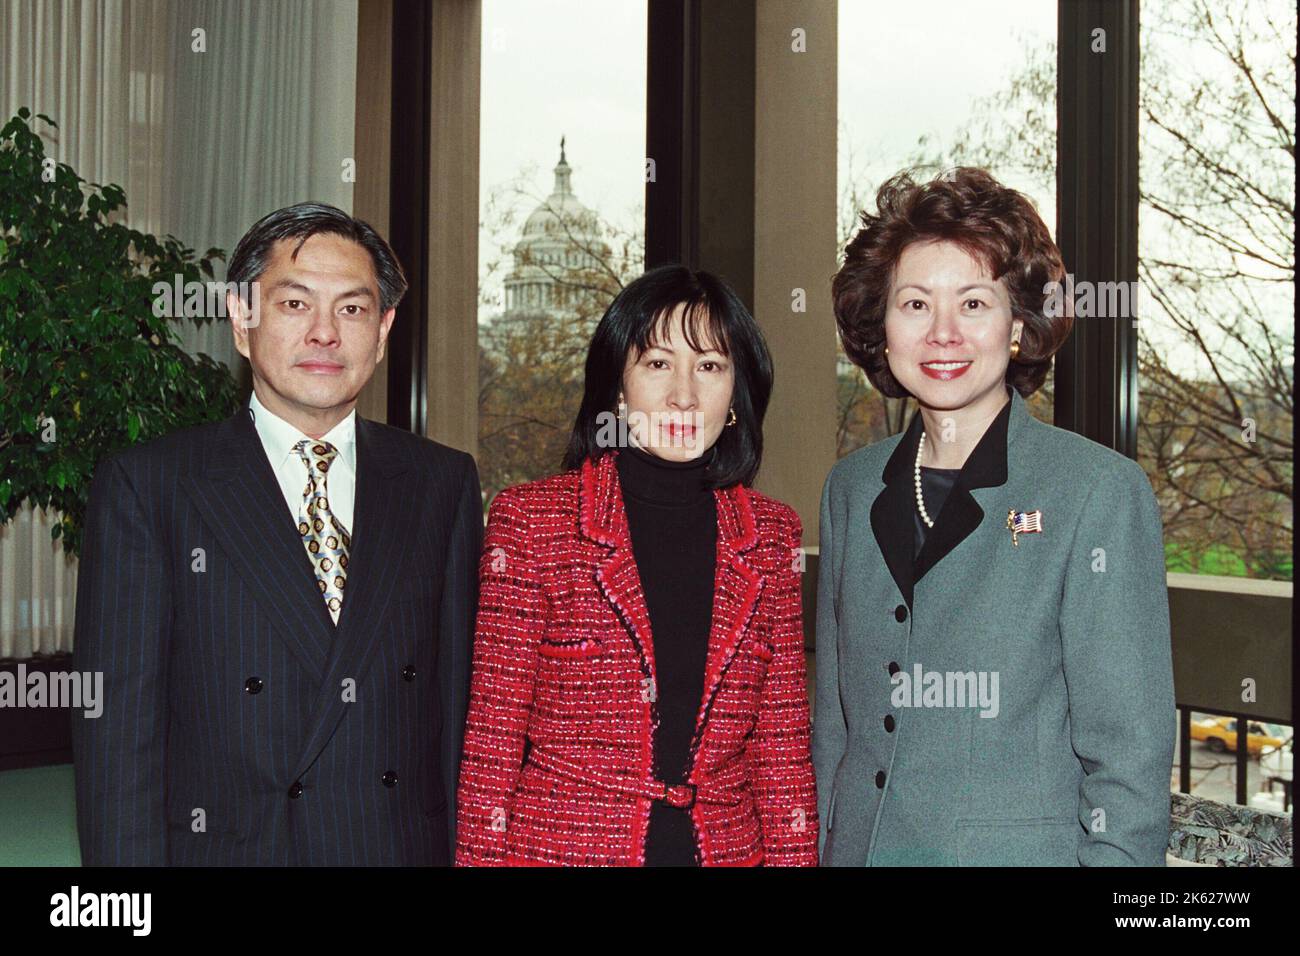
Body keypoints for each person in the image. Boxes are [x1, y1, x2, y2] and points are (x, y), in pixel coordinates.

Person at [71, 202, 481, 865]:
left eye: (351, 310)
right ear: (242, 321)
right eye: (294, 305)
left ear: (383, 331)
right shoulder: (152, 487)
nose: (325, 333)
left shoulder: (442, 484)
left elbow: (460, 716)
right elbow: (118, 741)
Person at [814, 168, 1175, 866]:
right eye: (915, 305)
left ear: (1017, 325)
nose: (943, 332)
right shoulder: (850, 491)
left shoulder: (1097, 494)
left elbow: (1128, 762)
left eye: (973, 303)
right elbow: (837, 726)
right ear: (881, 328)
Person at [455, 265, 818, 866]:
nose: (684, 393)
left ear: (736, 392)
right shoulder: (532, 522)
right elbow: (493, 744)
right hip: (563, 848)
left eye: (710, 366)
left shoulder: (771, 536)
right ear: (618, 386)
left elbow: (780, 755)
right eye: (657, 364)